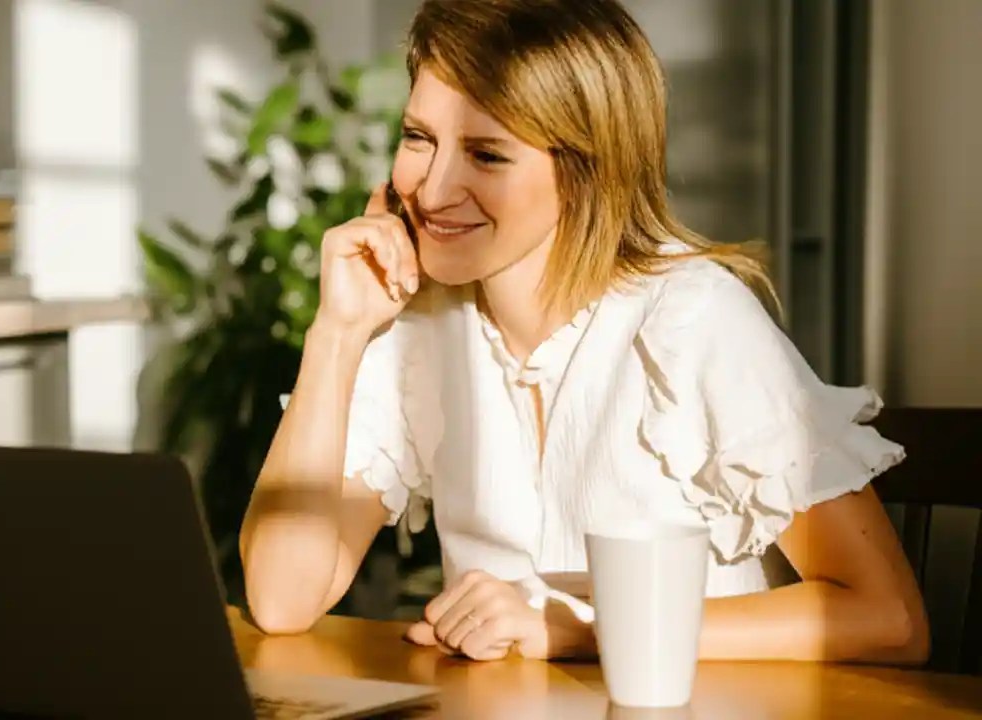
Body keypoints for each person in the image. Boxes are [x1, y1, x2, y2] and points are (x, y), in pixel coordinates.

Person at [238, 0, 929, 664]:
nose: (432, 188)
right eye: (419, 138)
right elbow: (280, 599)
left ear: (586, 171)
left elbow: (888, 619)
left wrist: (580, 629)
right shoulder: (425, 324)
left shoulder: (692, 318)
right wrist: (338, 332)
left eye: (487, 155)